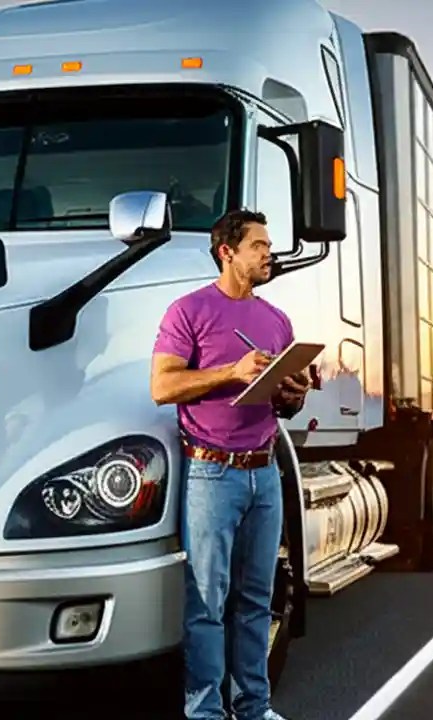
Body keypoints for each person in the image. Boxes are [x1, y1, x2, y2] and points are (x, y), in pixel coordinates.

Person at [150, 209, 311, 720]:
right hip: (210, 474)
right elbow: (163, 387)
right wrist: (231, 372)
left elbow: (286, 406)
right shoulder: (188, 311)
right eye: (260, 245)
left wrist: (294, 392)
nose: (270, 253)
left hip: (265, 474)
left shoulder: (277, 320)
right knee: (207, 606)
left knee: (257, 600)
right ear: (228, 252)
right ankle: (205, 713)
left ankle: (255, 708)